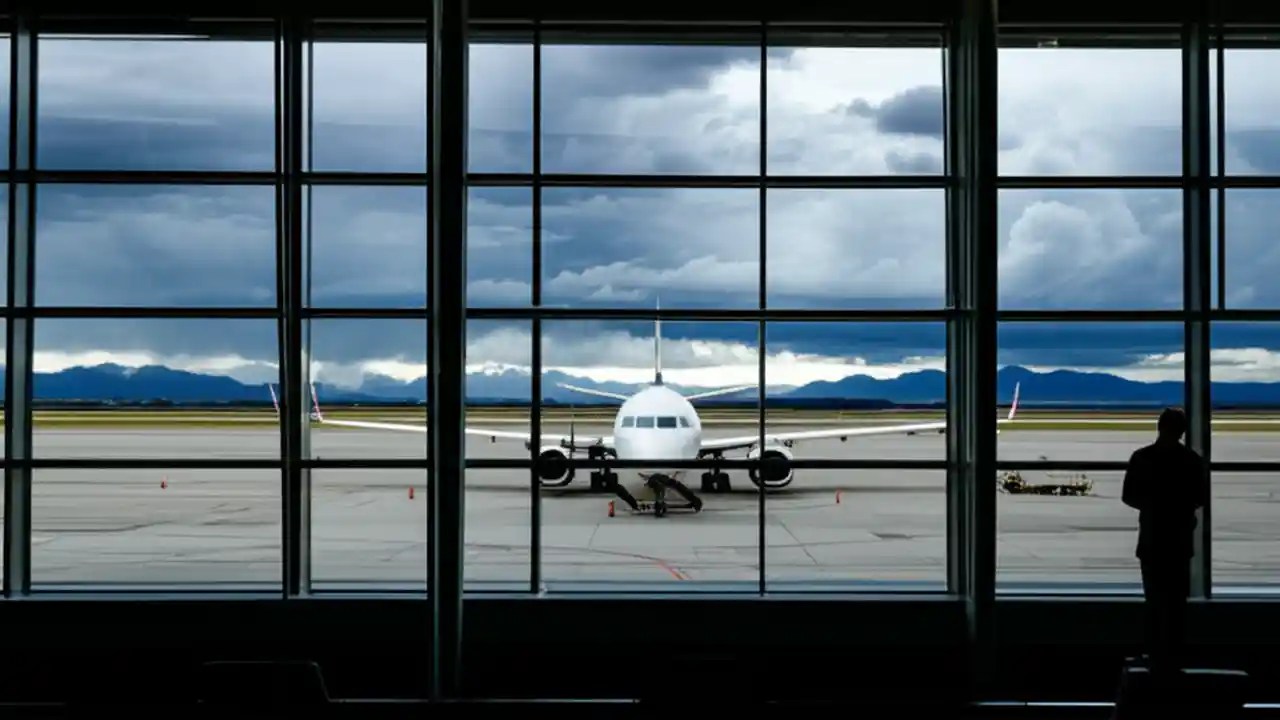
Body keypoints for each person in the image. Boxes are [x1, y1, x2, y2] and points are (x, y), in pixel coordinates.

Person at [1121, 407, 1208, 676]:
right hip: (1179, 540)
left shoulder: (1141, 457)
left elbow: (1128, 496)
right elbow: (1200, 497)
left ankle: (1154, 655)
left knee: (1154, 601)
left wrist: (1153, 507)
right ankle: (1173, 657)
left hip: (1152, 538)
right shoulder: (1191, 460)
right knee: (1176, 603)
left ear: (1159, 427)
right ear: (1182, 430)